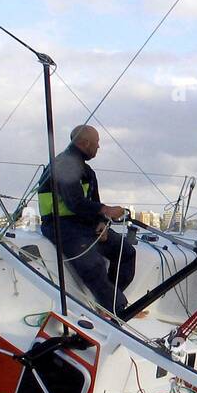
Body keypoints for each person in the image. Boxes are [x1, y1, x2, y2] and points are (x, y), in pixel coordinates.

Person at [37, 125, 137, 317]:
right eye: (97, 143)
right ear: (85, 143)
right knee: (93, 263)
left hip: (83, 224)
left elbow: (92, 201)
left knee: (126, 252)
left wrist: (102, 221)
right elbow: (74, 202)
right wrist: (107, 210)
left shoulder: (87, 171)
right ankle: (116, 307)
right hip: (59, 224)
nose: (98, 147)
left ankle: (108, 303)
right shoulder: (63, 165)